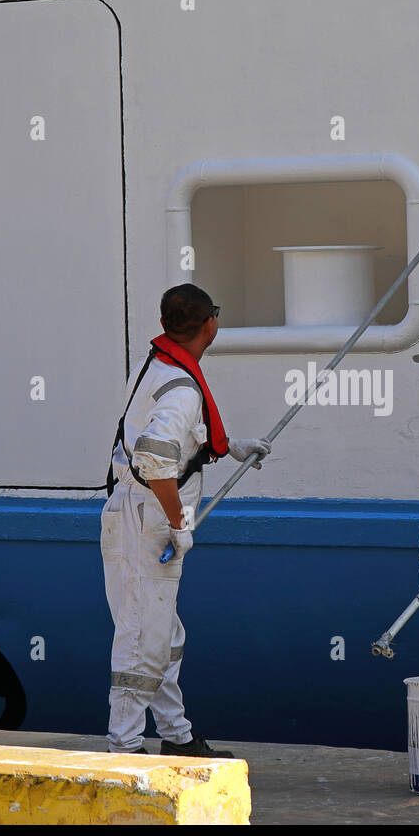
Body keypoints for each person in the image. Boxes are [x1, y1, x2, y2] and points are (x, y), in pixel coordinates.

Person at [101, 284, 271, 756]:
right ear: (209, 324)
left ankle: (176, 736)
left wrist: (230, 445)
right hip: (149, 520)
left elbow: (156, 434)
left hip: (131, 511)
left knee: (163, 633)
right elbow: (157, 461)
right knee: (143, 637)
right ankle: (126, 749)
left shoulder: (159, 365)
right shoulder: (181, 390)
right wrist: (178, 524)